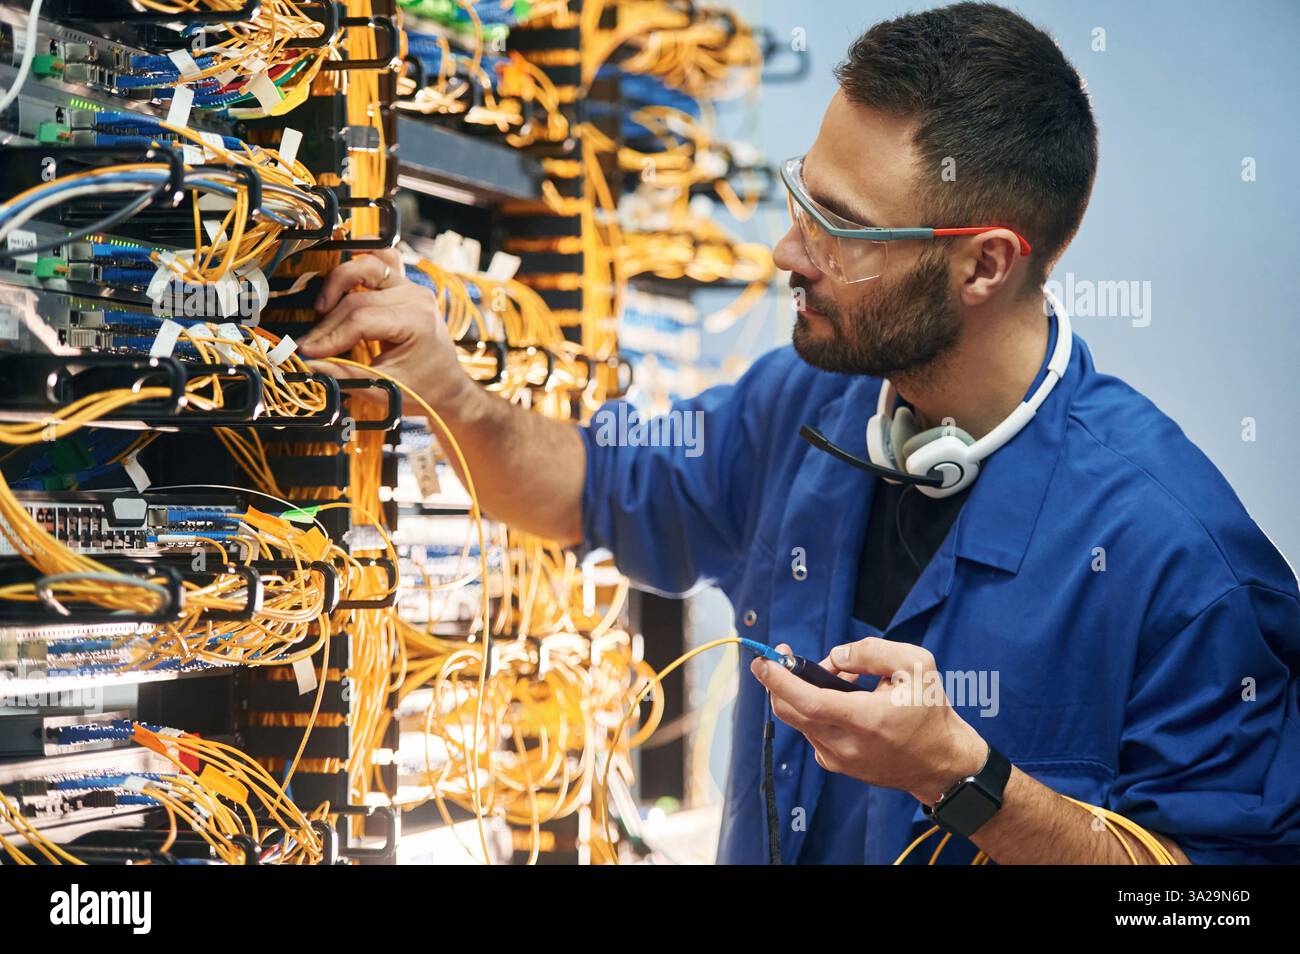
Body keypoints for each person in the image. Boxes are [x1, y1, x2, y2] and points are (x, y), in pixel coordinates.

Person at [300, 3, 1300, 864]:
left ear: (985, 266)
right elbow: (580, 488)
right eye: (799, 197)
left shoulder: (1179, 558)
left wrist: (963, 778)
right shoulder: (799, 407)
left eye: (838, 225)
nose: (785, 250)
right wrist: (444, 384)